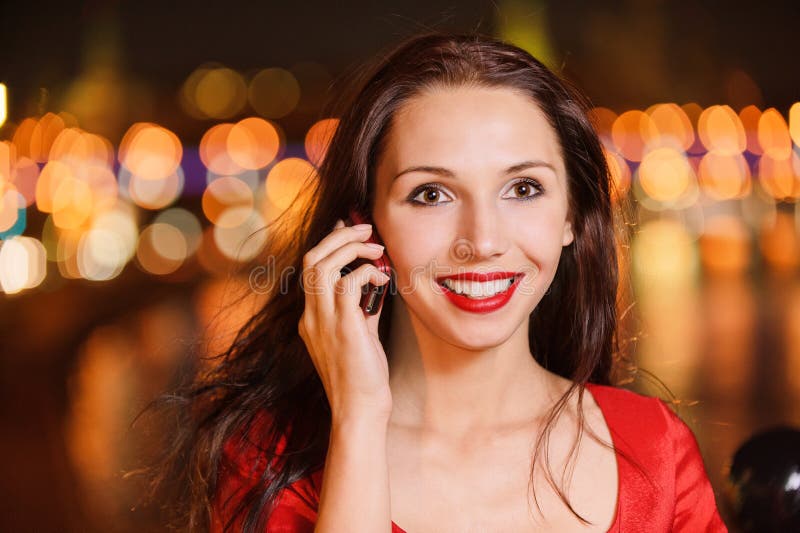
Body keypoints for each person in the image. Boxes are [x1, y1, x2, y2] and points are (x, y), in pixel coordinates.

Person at [142, 31, 728, 532]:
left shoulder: (655, 450)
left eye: (523, 189)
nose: (482, 239)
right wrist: (359, 420)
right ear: (364, 225)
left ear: (572, 215)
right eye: (431, 194)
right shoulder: (271, 463)